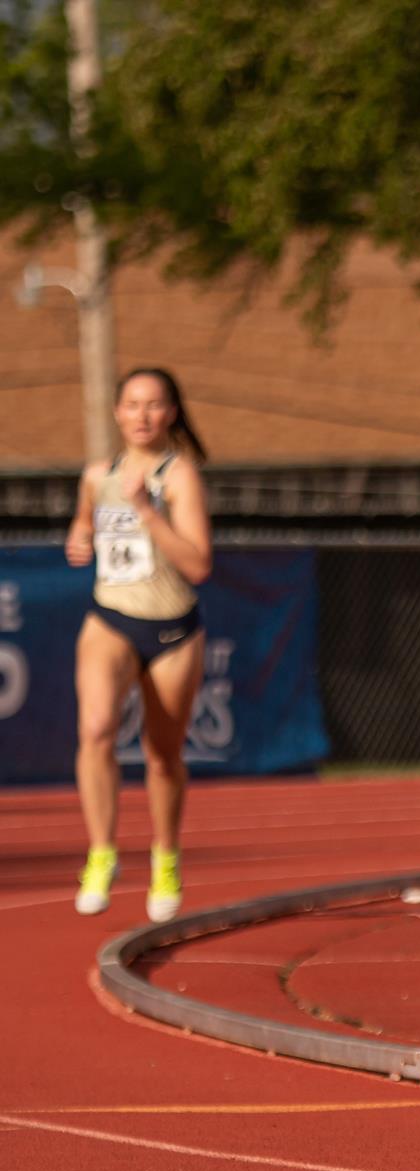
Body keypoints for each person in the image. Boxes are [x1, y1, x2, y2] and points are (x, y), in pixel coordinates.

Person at [64, 368, 213, 923]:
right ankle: (102, 853)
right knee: (96, 728)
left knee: (162, 755)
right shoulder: (97, 474)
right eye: (133, 404)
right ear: (117, 413)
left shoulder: (180, 478)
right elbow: (85, 522)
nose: (143, 415)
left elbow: (199, 564)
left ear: (171, 413)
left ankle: (166, 857)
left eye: (154, 405)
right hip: (111, 619)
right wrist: (79, 536)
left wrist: (147, 511)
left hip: (173, 630)